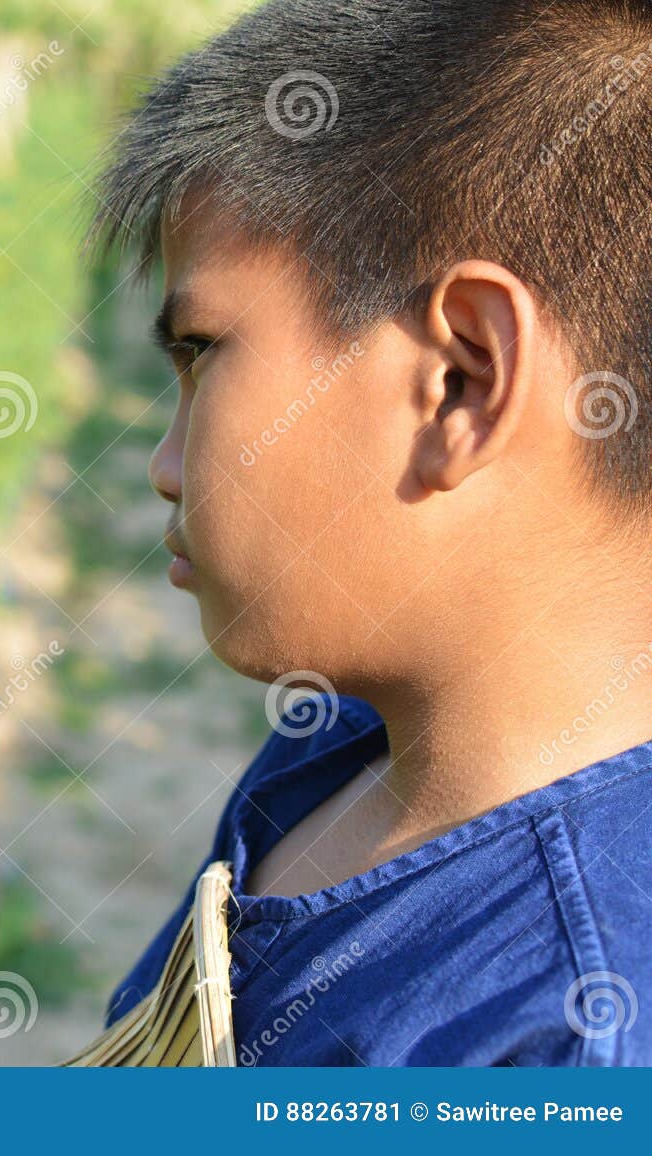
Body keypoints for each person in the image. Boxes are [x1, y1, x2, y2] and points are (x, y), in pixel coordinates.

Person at [91, 0, 652, 1065]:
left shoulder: (572, 1039)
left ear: (459, 380)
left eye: (201, 351)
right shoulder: (340, 737)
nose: (165, 465)